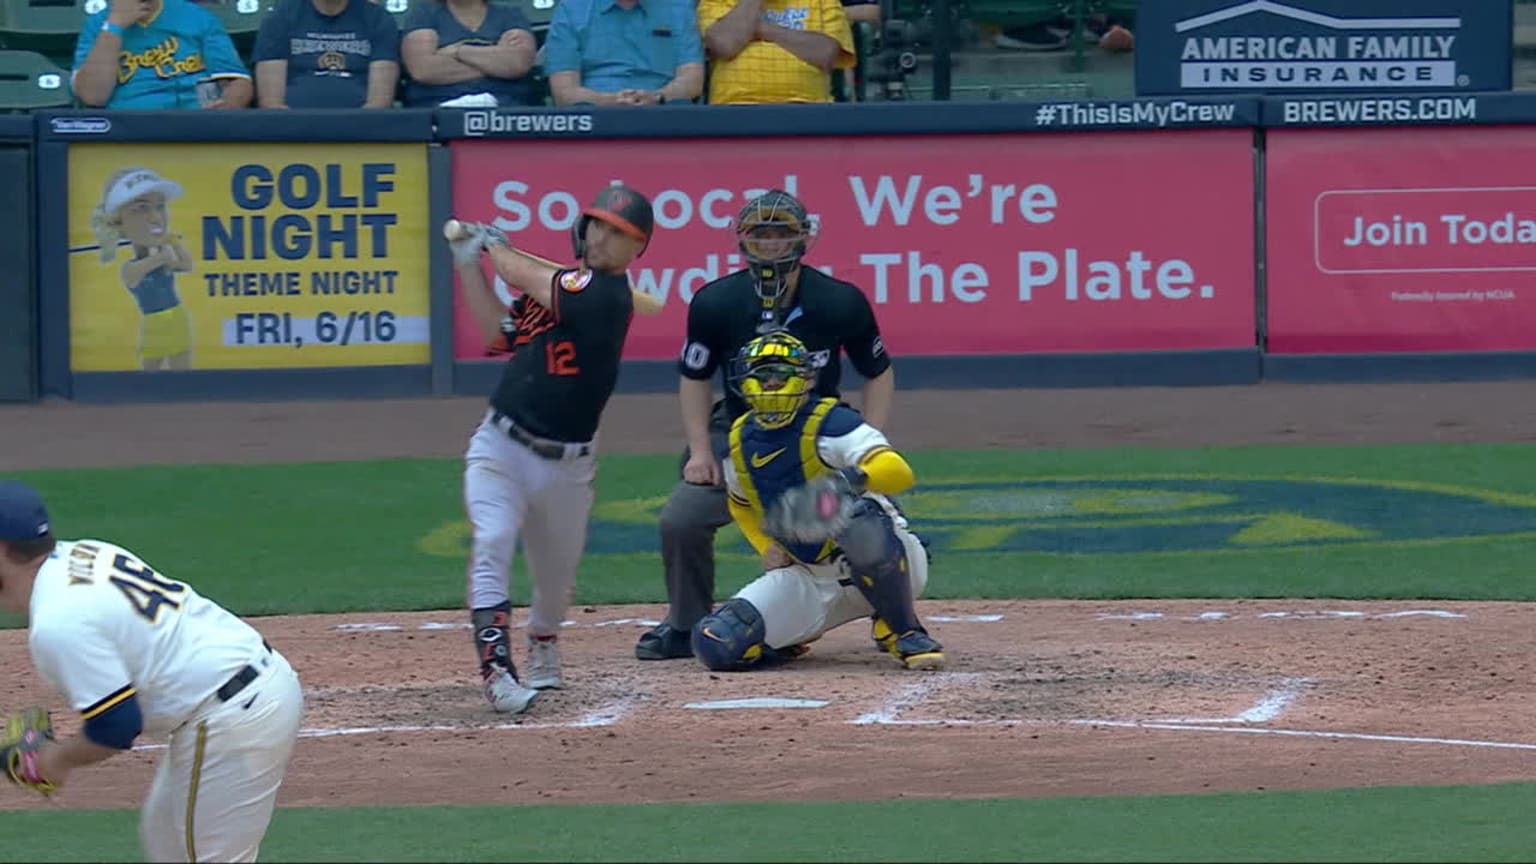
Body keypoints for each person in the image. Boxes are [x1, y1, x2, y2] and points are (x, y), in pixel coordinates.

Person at [635, 189, 894, 661]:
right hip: (736, 428)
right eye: (761, 235)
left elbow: (878, 370)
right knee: (682, 517)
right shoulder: (715, 302)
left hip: (818, 431)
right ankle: (685, 622)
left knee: (877, 502)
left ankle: (893, 615)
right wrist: (699, 451)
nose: (772, 245)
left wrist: (869, 440)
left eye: (782, 234)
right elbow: (694, 377)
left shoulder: (840, 301)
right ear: (742, 240)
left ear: (804, 239)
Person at [0, 480, 304, 862]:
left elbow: (116, 726)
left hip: (232, 716)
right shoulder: (83, 553)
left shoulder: (59, 621)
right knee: (167, 846)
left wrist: (54, 761)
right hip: (236, 692)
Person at [449, 185, 655, 713]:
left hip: (568, 463)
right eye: (599, 225)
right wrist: (469, 264)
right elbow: (498, 336)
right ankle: (497, 672)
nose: (603, 238)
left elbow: (518, 272)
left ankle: (544, 640)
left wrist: (495, 246)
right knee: (492, 539)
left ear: (638, 250)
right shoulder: (559, 290)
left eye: (620, 233)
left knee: (555, 575)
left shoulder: (606, 296)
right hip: (500, 443)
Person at [688, 331, 943, 671]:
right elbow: (741, 504)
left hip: (893, 564)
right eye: (763, 375)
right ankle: (791, 635)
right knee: (716, 642)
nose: (772, 383)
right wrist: (765, 546)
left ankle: (903, 629)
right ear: (744, 382)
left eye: (782, 373)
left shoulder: (833, 422)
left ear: (805, 379)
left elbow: (898, 471)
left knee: (855, 515)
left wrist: (846, 481)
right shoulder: (740, 441)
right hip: (811, 577)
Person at [90, 166, 196, 371]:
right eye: (141, 208)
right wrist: (164, 247)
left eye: (160, 206)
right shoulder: (130, 269)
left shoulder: (163, 258)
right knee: (149, 373)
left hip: (177, 318)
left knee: (183, 371)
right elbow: (155, 262)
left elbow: (186, 265)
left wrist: (176, 244)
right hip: (154, 325)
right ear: (118, 225)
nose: (156, 218)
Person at [71, 0, 253, 109]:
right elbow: (92, 96)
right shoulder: (98, 25)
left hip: (197, 124)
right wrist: (115, 25)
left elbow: (237, 82)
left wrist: (227, 106)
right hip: (129, 130)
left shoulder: (196, 16)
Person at [541, 0, 705, 107]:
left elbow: (692, 82)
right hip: (595, 117)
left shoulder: (679, 7)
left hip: (664, 113)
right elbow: (564, 93)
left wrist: (657, 97)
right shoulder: (572, 8)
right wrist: (612, 101)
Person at [695, 0, 855, 104]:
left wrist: (757, 29)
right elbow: (724, 44)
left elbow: (826, 52)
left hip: (807, 107)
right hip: (734, 107)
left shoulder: (823, 2)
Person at [252, 0, 402, 109]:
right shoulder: (280, 17)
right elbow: (272, 103)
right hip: (294, 129)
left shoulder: (379, 19)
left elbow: (380, 101)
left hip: (360, 129)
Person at [399, 0, 539, 107]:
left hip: (506, 110)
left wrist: (458, 51)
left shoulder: (511, 15)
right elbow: (424, 70)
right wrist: (494, 61)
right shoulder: (423, 15)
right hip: (437, 110)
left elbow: (517, 64)